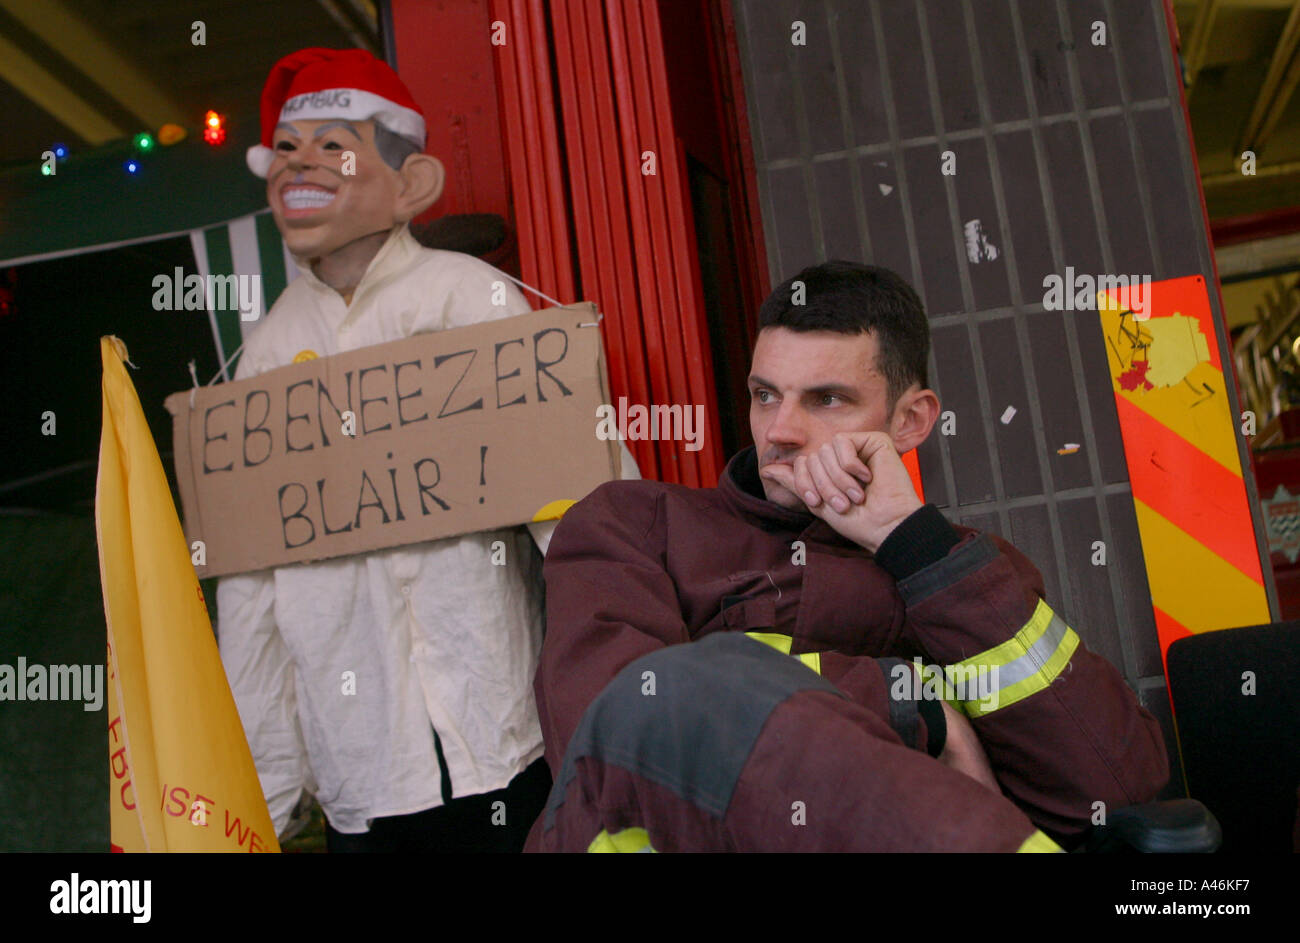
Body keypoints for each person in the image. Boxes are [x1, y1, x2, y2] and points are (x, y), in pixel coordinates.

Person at [527, 260, 1170, 852]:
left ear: (911, 422)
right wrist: (914, 708)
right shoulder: (633, 526)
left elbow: (1111, 787)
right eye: (765, 395)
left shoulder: (959, 567)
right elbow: (628, 724)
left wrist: (914, 546)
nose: (779, 431)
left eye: (826, 399)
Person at [217, 47, 634, 852]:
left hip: (506, 743)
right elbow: (254, 595)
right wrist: (263, 795)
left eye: (334, 145)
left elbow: (582, 516)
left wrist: (630, 697)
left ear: (412, 183)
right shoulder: (264, 356)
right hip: (362, 775)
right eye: (287, 149)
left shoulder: (469, 299)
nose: (301, 164)